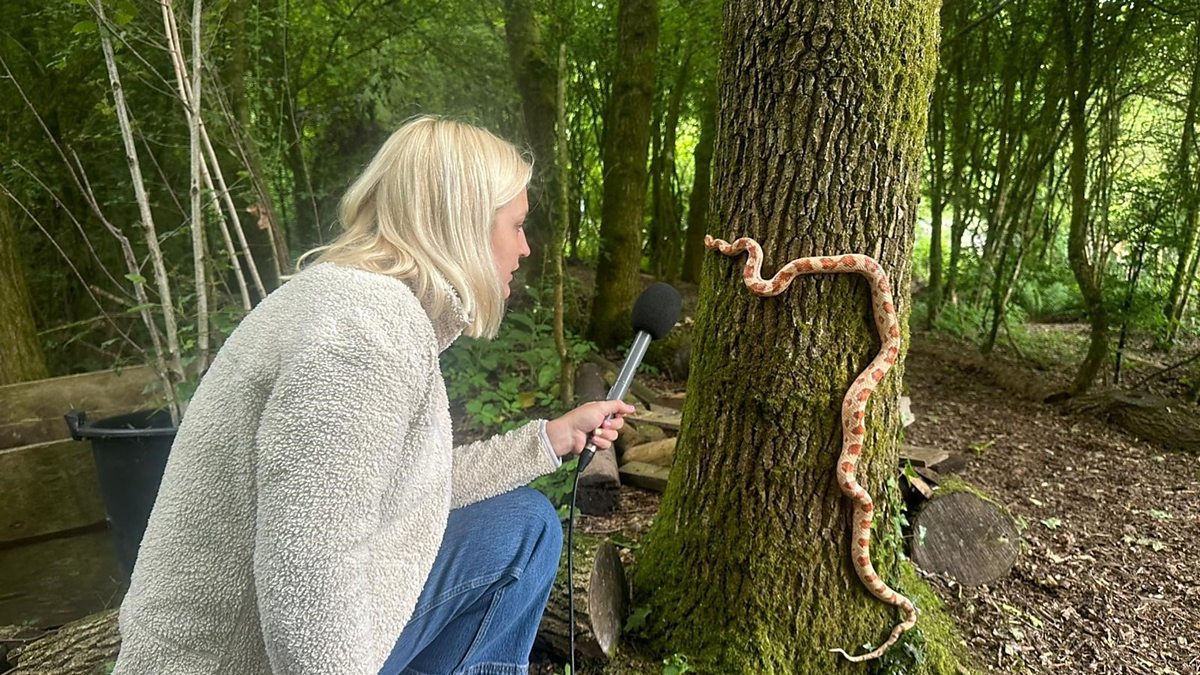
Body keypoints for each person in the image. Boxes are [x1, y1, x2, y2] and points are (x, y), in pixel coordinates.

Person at [112, 116, 634, 675]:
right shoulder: (367, 335)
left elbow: (408, 489)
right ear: (462, 224)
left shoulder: (351, 305)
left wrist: (550, 439)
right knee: (525, 534)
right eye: (516, 225)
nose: (526, 248)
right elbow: (307, 590)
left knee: (524, 524)